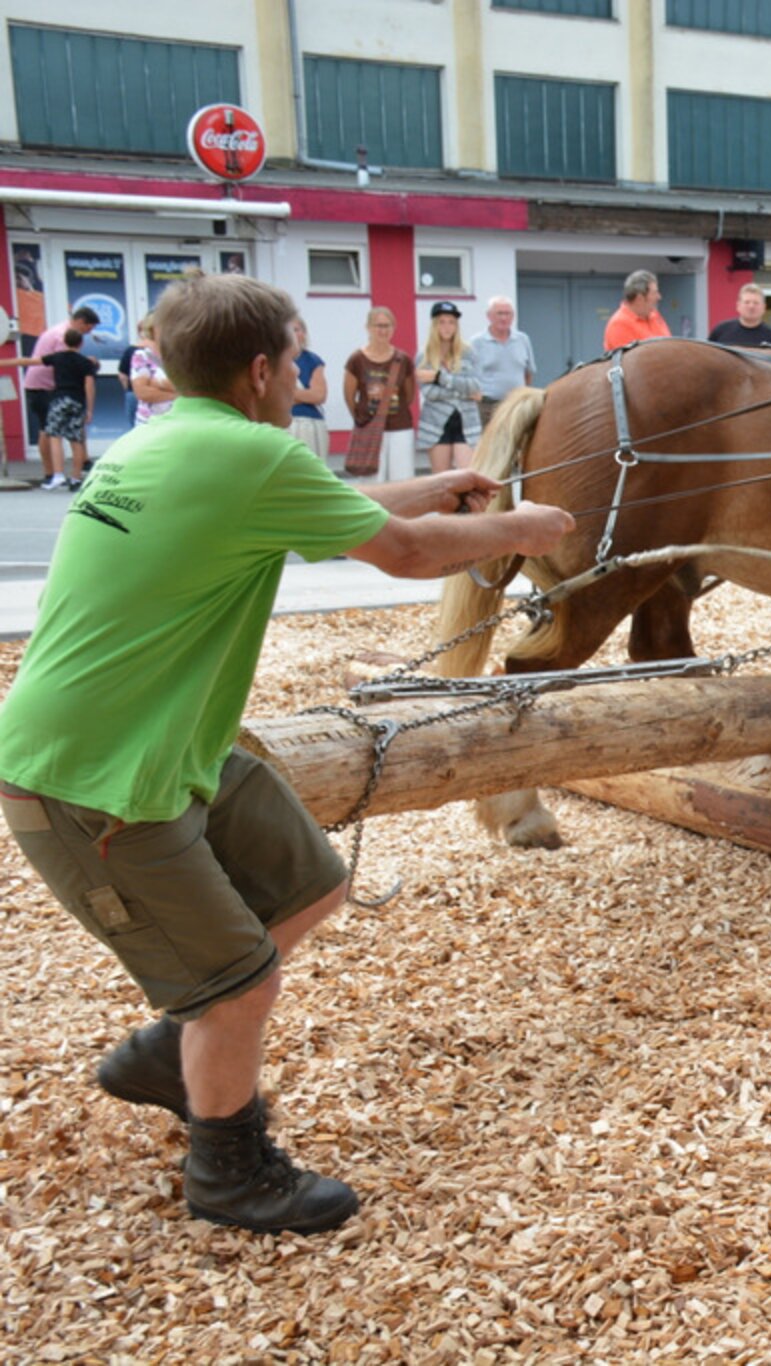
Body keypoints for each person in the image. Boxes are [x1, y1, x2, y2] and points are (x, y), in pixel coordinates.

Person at [0, 272, 573, 1236]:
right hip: (92, 780)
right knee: (241, 980)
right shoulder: (251, 458)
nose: (300, 374)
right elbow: (403, 553)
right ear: (263, 370)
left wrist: (433, 487)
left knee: (308, 880)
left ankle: (175, 1046)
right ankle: (227, 1168)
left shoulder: (163, 442)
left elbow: (319, 510)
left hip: (166, 748)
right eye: (297, 358)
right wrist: (523, 526)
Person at [0, 304, 100, 487]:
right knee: (51, 431)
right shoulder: (62, 336)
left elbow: (34, 360)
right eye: (88, 328)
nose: (88, 332)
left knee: (55, 430)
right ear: (80, 322)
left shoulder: (61, 330)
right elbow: (68, 363)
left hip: (46, 387)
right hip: (44, 387)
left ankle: (62, 471)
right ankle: (55, 473)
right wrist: (88, 364)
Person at [343, 307, 417, 482]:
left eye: (387, 326)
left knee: (402, 482)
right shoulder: (357, 359)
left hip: (400, 428)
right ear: (368, 327)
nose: (383, 330)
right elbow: (349, 396)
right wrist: (363, 418)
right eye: (378, 325)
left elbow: (410, 396)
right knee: (372, 483)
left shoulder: (403, 359)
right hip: (369, 429)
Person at [416, 302, 483, 474]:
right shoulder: (424, 356)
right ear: (434, 325)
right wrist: (464, 392)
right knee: (441, 480)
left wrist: (438, 377)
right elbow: (429, 393)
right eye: (442, 322)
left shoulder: (469, 352)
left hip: (466, 422)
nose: (447, 327)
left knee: (467, 476)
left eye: (451, 322)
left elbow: (475, 385)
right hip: (436, 424)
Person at [39, 328, 97, 491]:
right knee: (76, 439)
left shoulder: (57, 358)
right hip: (77, 401)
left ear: (64, 342)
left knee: (54, 435)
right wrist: (90, 409)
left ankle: (58, 475)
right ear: (81, 343)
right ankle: (76, 477)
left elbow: (30, 361)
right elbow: (89, 386)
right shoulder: (85, 362)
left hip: (60, 399)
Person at [469, 296, 535, 430]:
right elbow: (468, 376)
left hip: (516, 406)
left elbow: (528, 372)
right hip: (488, 408)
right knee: (491, 449)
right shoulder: (476, 342)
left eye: (508, 313)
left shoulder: (523, 339)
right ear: (489, 316)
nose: (504, 318)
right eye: (499, 313)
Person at [289, 318, 328, 461]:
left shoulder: (312, 360)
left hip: (309, 422)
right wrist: (304, 395)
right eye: (288, 330)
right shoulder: (273, 359)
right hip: (282, 423)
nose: (292, 334)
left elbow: (318, 395)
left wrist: (289, 394)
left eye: (296, 329)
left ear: (304, 334)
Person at [707, 283, 771, 349]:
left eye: (756, 303)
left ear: (764, 307)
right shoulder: (720, 331)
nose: (751, 306)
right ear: (738, 306)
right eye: (747, 302)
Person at [129, 315, 177, 427]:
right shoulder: (142, 355)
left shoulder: (182, 356)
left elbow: (192, 388)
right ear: (152, 330)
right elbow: (143, 393)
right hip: (149, 423)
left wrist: (157, 383)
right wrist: (178, 394)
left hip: (177, 423)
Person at [603, 270, 669, 351]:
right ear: (640, 298)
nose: (659, 297)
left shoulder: (655, 316)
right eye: (654, 293)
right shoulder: (619, 324)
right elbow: (632, 361)